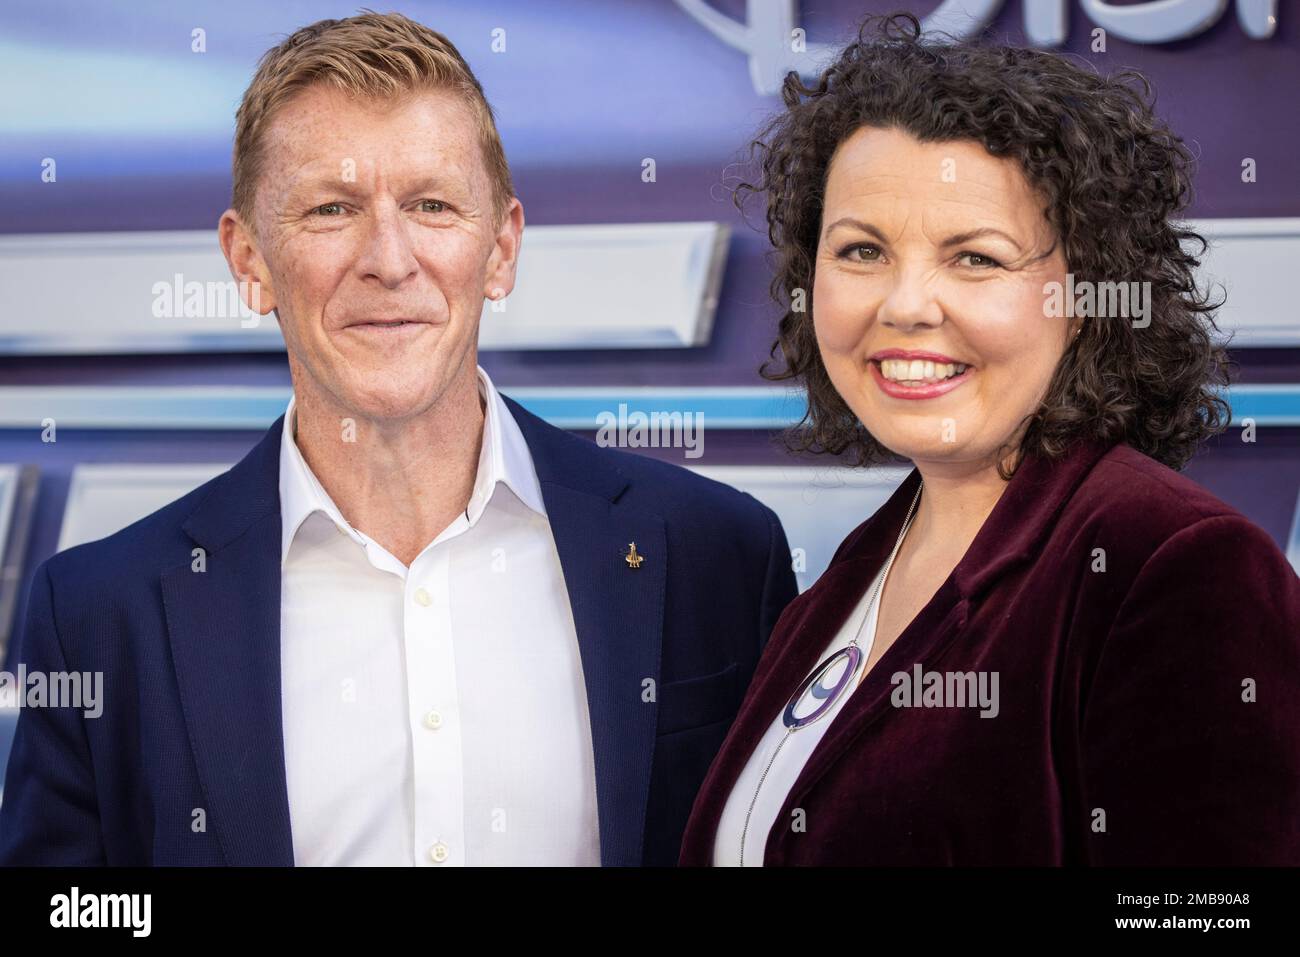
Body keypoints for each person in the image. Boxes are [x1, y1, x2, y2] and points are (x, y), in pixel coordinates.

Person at [0, 12, 797, 866]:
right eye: (332, 208)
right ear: (249, 260)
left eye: (431, 204)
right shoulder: (99, 612)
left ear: (501, 247)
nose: (389, 257)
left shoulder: (716, 555)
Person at [680, 14, 1300, 867]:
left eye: (974, 259)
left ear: (1086, 292)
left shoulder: (1176, 566)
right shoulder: (851, 576)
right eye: (861, 250)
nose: (905, 305)